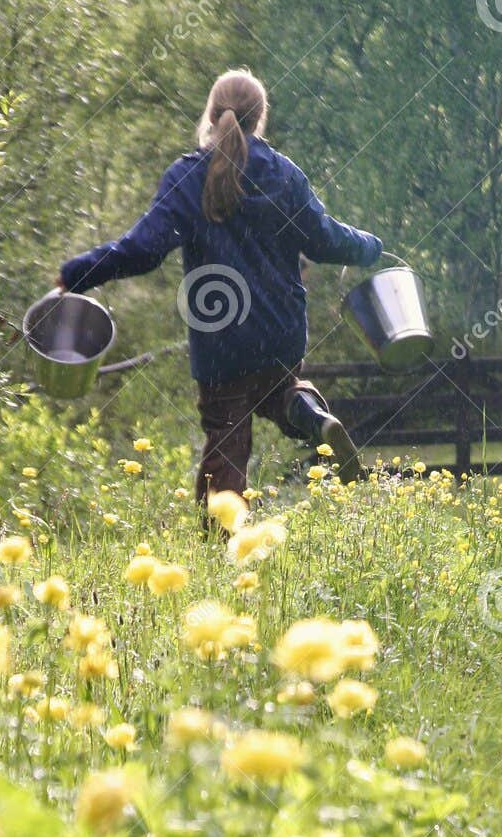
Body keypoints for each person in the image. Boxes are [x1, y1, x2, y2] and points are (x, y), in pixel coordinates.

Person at [57, 69, 381, 511]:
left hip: (221, 342)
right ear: (259, 119)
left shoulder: (187, 176)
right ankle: (309, 413)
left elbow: (143, 250)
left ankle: (221, 550)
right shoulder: (284, 175)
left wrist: (76, 273)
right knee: (279, 391)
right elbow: (325, 239)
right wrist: (370, 248)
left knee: (227, 439)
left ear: (211, 116)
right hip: (279, 333)